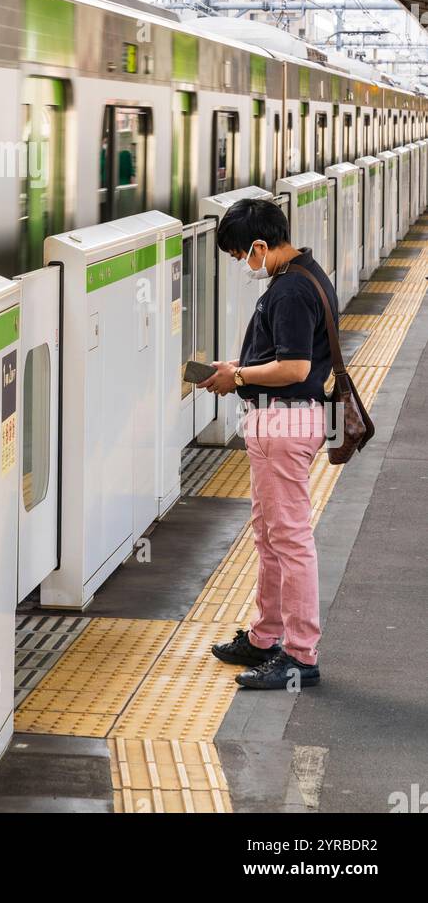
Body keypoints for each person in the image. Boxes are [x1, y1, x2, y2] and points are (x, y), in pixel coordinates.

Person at [197, 198, 337, 691]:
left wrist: (235, 376)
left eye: (242, 256)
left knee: (290, 540)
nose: (244, 265)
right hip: (282, 423)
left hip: (285, 423)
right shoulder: (303, 274)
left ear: (260, 245)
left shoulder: (291, 290)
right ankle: (265, 636)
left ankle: (300, 654)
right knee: (271, 535)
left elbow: (294, 368)